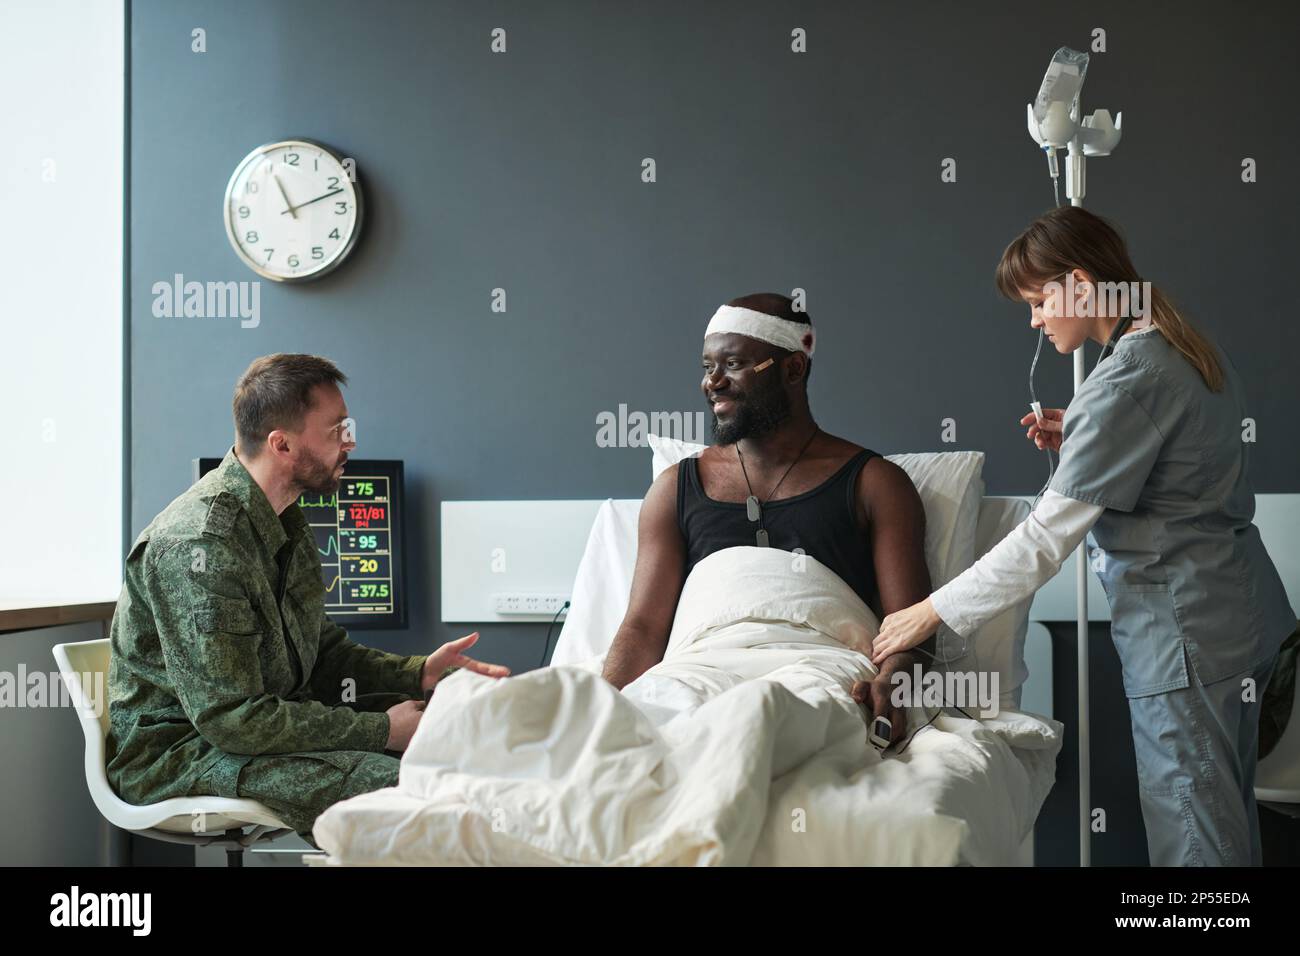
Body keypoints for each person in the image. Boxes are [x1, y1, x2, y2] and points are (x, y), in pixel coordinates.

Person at [869, 207, 1295, 866]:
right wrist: (1087, 437)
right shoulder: (1179, 344)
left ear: (1078, 282)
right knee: (1224, 822)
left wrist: (927, 613)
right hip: (1243, 624)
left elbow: (1044, 540)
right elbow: (1183, 465)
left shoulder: (1124, 381)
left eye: (1039, 301)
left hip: (1184, 642)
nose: (1036, 320)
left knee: (1193, 837)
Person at [106, 353, 509, 841]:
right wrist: (382, 730)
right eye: (336, 429)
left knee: (456, 743)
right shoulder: (200, 547)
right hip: (179, 754)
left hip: (249, 732)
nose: (350, 441)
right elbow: (231, 720)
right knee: (410, 790)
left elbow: (321, 652)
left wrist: (415, 673)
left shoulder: (285, 520)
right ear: (282, 444)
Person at [600, 293, 935, 746]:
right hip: (699, 667)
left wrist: (893, 682)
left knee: (765, 725)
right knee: (657, 726)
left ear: (793, 369)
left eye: (733, 364)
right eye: (706, 367)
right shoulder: (673, 490)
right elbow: (642, 628)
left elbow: (910, 628)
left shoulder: (876, 484)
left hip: (819, 669)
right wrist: (604, 712)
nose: (712, 382)